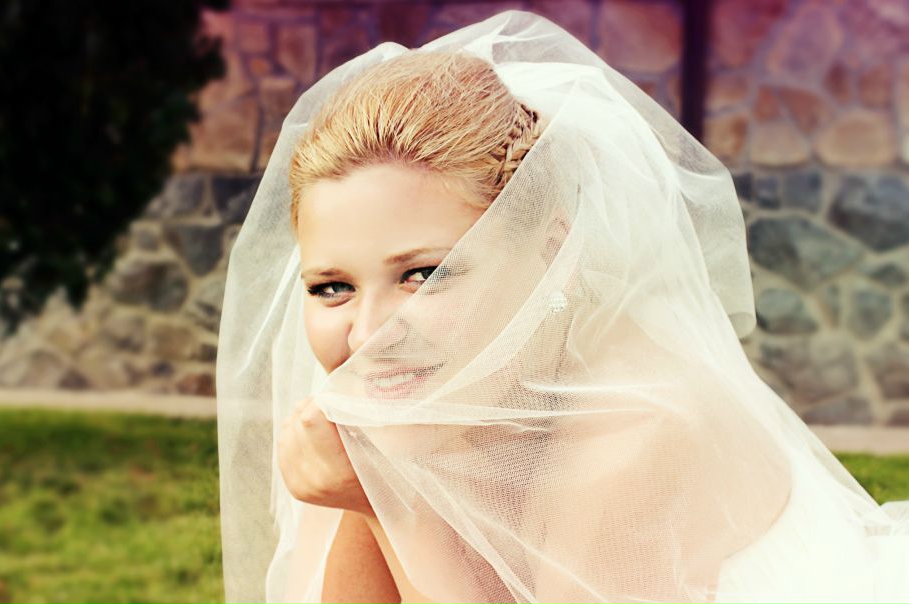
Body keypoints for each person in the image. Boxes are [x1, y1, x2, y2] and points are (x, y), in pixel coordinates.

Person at [216, 11, 909, 604]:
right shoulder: (386, 413)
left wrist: (385, 506)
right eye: (331, 287)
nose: (368, 335)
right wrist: (373, 492)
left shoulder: (633, 433)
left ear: (552, 250)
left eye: (426, 274)